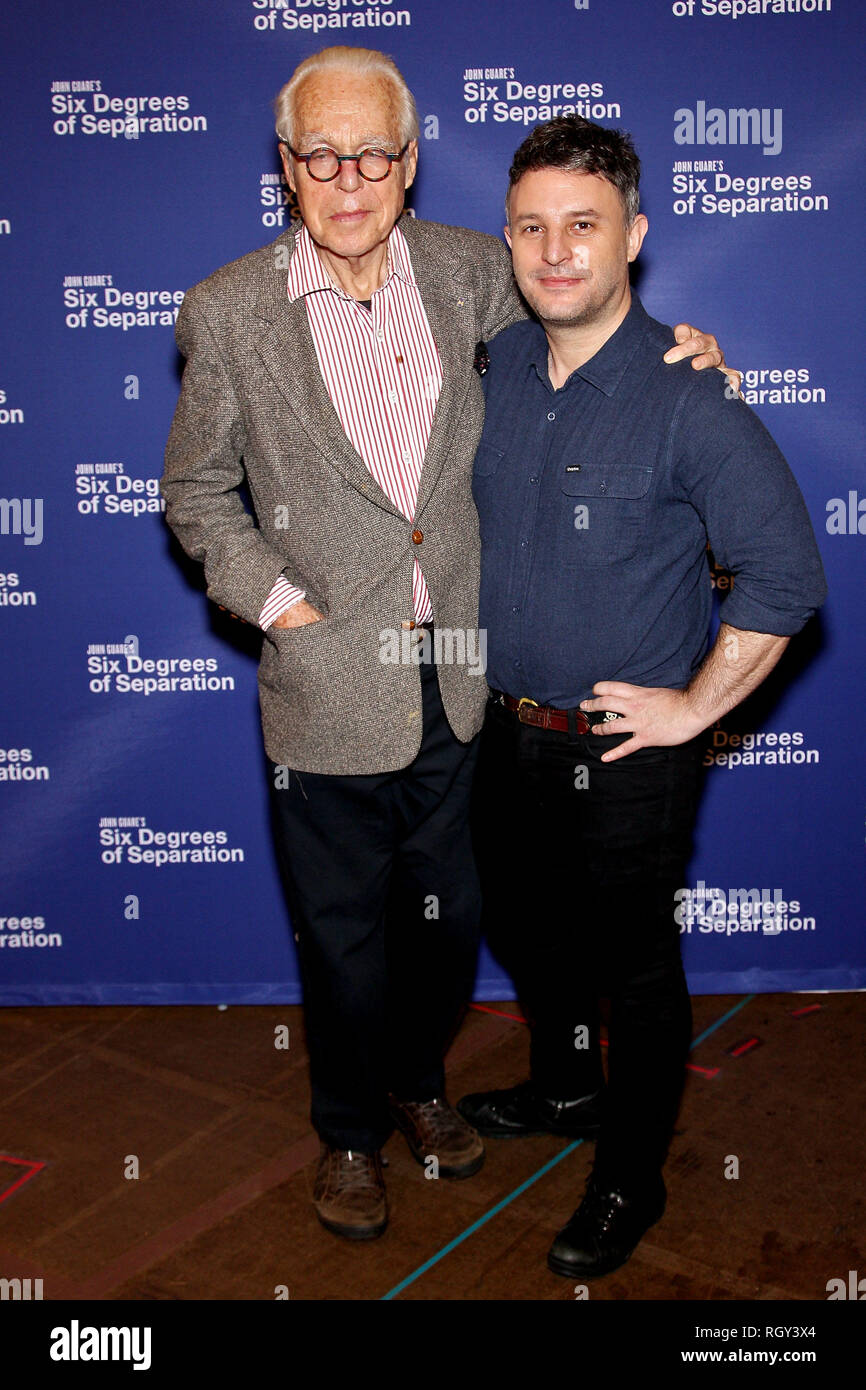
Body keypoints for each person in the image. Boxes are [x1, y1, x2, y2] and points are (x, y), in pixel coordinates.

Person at [161, 45, 727, 1242]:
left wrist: (688, 353)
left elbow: (595, 319)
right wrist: (282, 610)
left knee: (446, 921)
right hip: (324, 687)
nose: (349, 177)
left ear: (411, 162)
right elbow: (198, 495)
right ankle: (349, 1135)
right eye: (321, 153)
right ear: (287, 169)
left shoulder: (477, 271)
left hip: (469, 676)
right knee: (340, 936)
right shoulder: (226, 310)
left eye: (373, 151)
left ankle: (417, 1083)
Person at [458, 115, 826, 1279]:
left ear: (634, 236)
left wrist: (689, 709)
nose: (555, 250)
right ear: (507, 239)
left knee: (632, 968)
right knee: (522, 930)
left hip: (624, 753)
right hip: (499, 732)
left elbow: (785, 576)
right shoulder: (498, 359)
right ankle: (567, 1082)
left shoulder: (687, 393)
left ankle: (630, 1173)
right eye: (531, 226)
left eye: (583, 225)